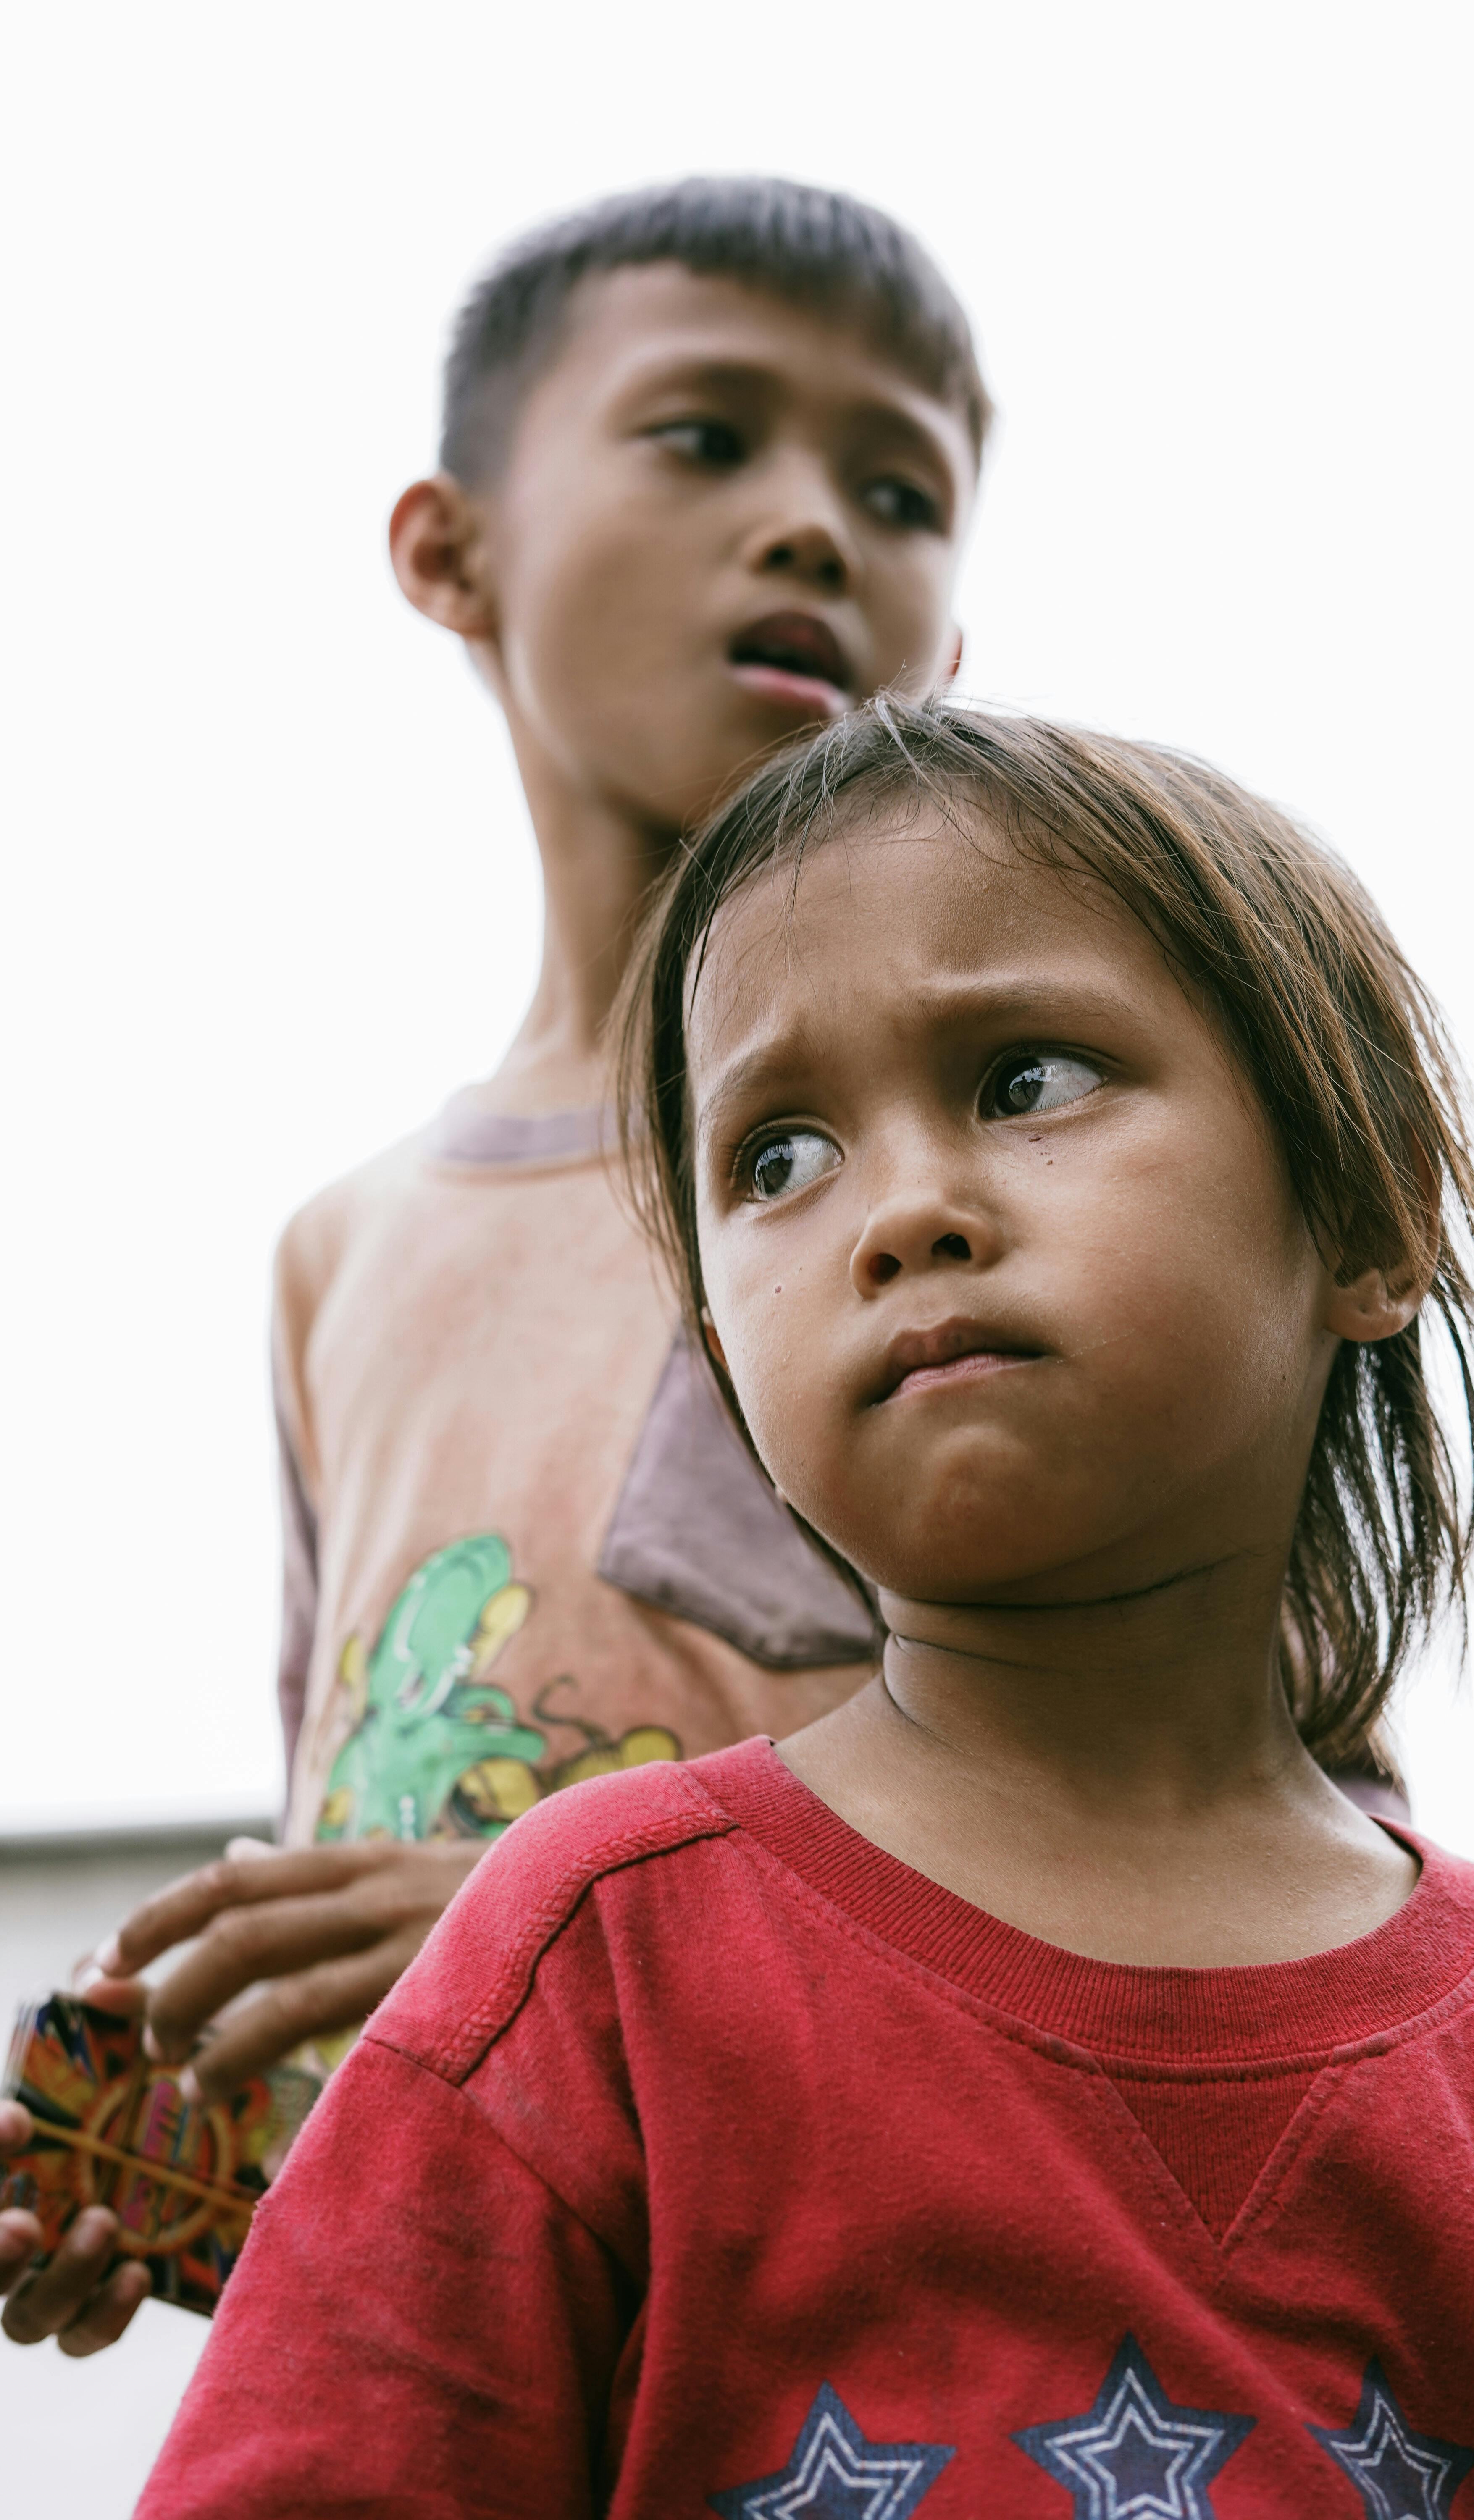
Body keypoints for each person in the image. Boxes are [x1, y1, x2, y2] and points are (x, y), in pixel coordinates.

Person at [134, 703, 1474, 2512]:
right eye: (778, 1160)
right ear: (721, 1348)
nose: (901, 1214)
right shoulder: (592, 1961)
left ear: (1368, 1209)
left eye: (1025, 1080)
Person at [0, 177, 991, 2354]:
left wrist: (574, 1931)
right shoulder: (339, 1252)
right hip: (454, 2378)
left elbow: (1241, 1822)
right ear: (453, 553)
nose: (816, 527)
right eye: (708, 436)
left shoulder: (982, 1171)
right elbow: (347, 1851)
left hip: (869, 2374)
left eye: (902, 491)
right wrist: (210, 2151)